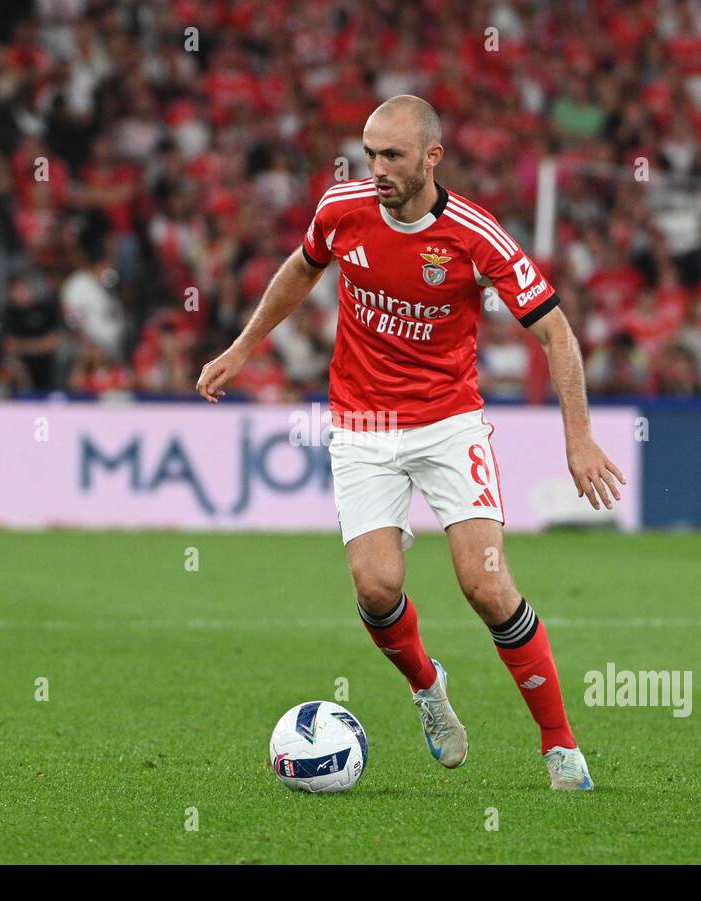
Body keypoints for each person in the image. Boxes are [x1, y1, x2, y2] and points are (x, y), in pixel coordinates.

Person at [196, 96, 625, 791]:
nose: (377, 169)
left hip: (448, 422)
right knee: (376, 584)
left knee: (485, 585)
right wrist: (244, 347)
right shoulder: (342, 209)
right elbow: (301, 268)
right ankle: (428, 686)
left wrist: (577, 438)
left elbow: (556, 331)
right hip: (362, 424)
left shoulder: (474, 234)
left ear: (432, 157)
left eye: (391, 155)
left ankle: (560, 745)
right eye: (369, 154)